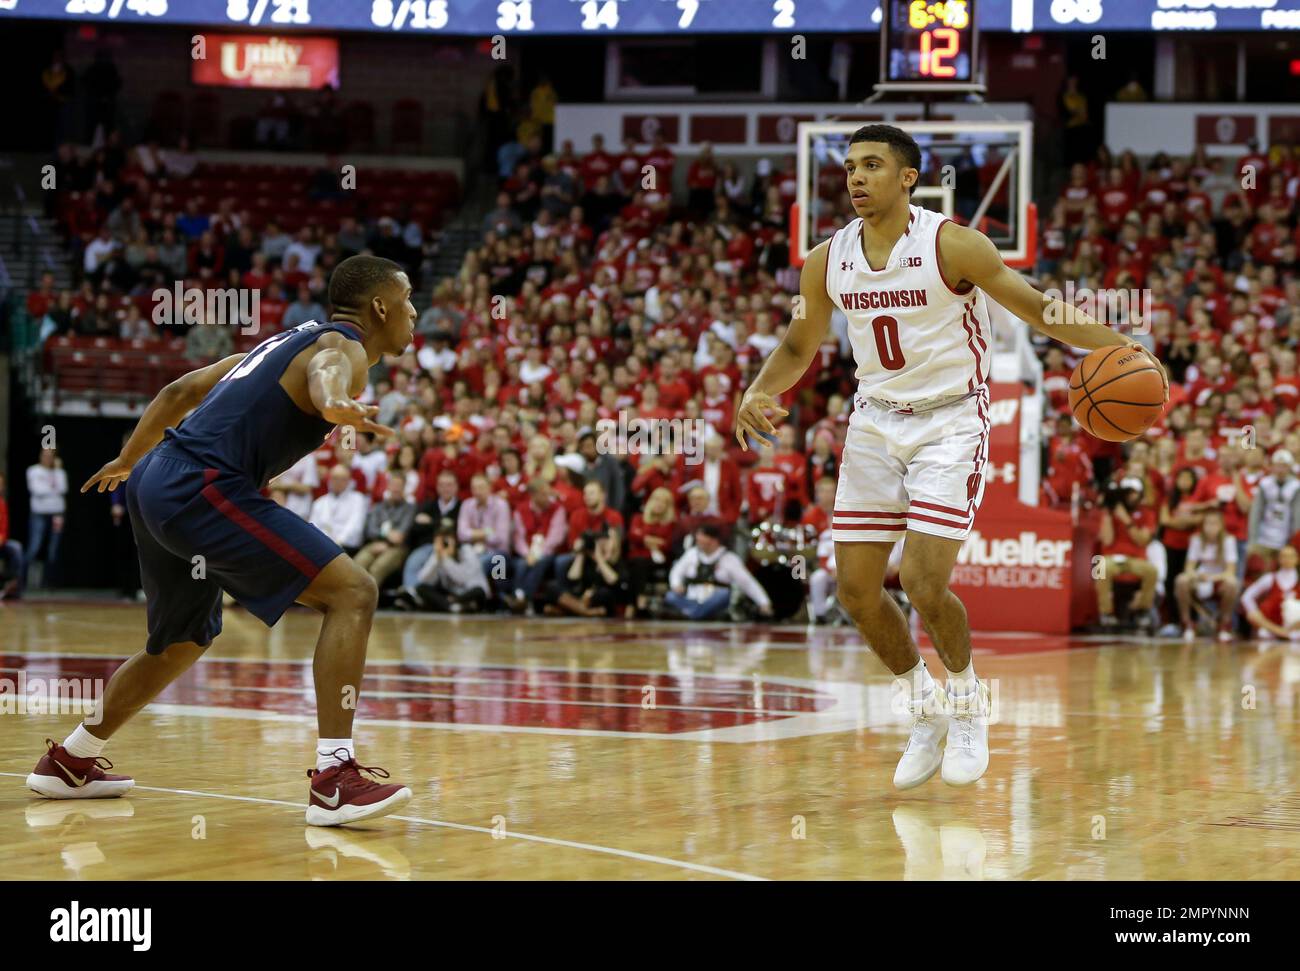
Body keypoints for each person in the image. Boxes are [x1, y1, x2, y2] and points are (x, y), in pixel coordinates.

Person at [732, 123, 1167, 791]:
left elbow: (1040, 308)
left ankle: (967, 704)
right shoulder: (826, 260)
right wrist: (757, 389)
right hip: (874, 422)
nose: (856, 176)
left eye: (872, 165)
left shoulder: (952, 244)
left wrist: (1122, 346)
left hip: (952, 421)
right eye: (850, 166)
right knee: (854, 589)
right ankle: (925, 709)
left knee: (923, 583)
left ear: (908, 177)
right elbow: (800, 345)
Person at [28, 255, 418, 827]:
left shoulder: (277, 343)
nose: (413, 312)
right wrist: (335, 403)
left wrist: (128, 460)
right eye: (408, 299)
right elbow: (328, 374)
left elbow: (180, 390)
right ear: (379, 306)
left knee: (181, 641)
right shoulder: (346, 348)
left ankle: (70, 760)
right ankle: (335, 778)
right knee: (352, 592)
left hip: (155, 482)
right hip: (202, 487)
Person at [665, 522, 773, 621]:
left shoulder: (729, 558)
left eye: (702, 536)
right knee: (671, 596)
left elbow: (747, 582)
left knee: (723, 594)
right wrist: (676, 585)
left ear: (713, 540)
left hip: (715, 599)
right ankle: (697, 613)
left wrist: (764, 602)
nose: (698, 540)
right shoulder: (691, 554)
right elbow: (676, 571)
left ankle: (692, 614)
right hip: (692, 597)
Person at [1095, 479, 1160, 632]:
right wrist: (1109, 515)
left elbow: (1142, 540)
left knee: (1152, 571)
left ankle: (1142, 611)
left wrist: (1126, 519)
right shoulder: (1109, 512)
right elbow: (1107, 539)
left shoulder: (1147, 513)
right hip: (1111, 558)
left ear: (1140, 494)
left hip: (1136, 559)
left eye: (1133, 493)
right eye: (1126, 493)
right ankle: (1105, 613)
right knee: (1098, 566)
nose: (1130, 496)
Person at [395, 523, 489, 614]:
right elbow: (424, 579)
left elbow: (462, 579)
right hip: (451, 594)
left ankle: (452, 605)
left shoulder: (467, 551)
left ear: (455, 540)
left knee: (478, 591)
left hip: (469, 592)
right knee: (421, 588)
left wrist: (446, 559)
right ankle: (454, 607)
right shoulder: (438, 554)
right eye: (440, 541)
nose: (444, 544)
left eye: (446, 540)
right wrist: (437, 558)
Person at [1175, 510, 1239, 643]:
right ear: (1203, 525)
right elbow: (1189, 568)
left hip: (1218, 579)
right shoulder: (1196, 539)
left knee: (1233, 583)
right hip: (1200, 578)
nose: (1211, 527)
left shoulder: (1229, 540)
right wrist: (1197, 576)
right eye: (1208, 523)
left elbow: (1230, 571)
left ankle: (1224, 625)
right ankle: (1187, 623)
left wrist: (1211, 578)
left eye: (1215, 523)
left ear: (1221, 525)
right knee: (1181, 580)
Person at [353, 476, 415, 587]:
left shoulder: (410, 508)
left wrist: (387, 542)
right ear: (388, 486)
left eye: (399, 486)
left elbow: (399, 536)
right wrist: (386, 534)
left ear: (404, 488)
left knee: (377, 568)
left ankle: (367, 604)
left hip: (398, 548)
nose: (396, 489)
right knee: (357, 564)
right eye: (394, 485)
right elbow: (371, 530)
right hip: (375, 543)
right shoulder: (378, 507)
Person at [25, 447, 67, 590]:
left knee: (53, 549)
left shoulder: (59, 472)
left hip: (57, 514)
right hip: (39, 513)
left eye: (50, 456)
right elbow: (36, 490)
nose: (47, 459)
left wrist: (53, 476)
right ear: (40, 456)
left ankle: (49, 583)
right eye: (45, 455)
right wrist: (52, 490)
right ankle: (22, 581)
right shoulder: (33, 470)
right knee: (34, 546)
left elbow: (63, 488)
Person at [1241, 543, 1300, 641]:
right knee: (1252, 615)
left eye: (1291, 556)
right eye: (1284, 556)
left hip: (1295, 628)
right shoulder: (1270, 578)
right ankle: (1279, 632)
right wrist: (1255, 612)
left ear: (1297, 559)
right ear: (1279, 559)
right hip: (1269, 626)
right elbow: (1246, 597)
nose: (1287, 559)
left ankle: (1286, 633)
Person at [0, 472, 24, 600]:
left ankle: (15, 588)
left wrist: (1, 539)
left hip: (1, 543)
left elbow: (4, 527)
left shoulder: (2, 504)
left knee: (16, 547)